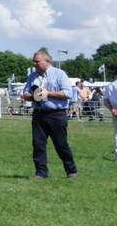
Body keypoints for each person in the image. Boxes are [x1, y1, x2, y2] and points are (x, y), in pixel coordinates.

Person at [21, 50, 78, 179]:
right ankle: (41, 172)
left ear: (47, 61)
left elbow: (67, 94)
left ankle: (71, 171)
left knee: (61, 145)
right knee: (38, 144)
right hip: (39, 114)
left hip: (56, 114)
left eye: (37, 61)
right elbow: (25, 94)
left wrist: (48, 93)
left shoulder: (59, 74)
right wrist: (34, 96)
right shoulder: (32, 76)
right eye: (34, 61)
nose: (34, 63)